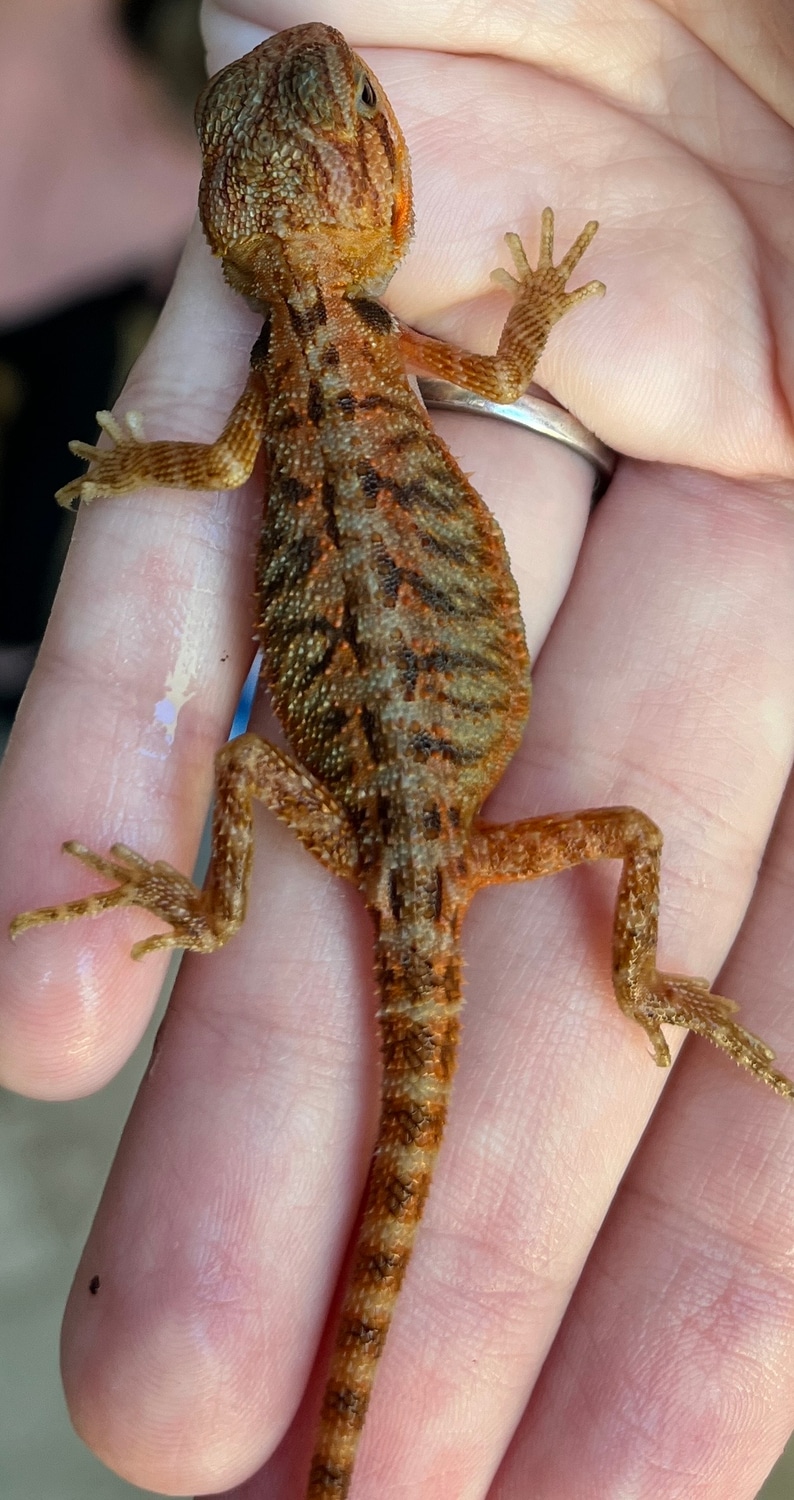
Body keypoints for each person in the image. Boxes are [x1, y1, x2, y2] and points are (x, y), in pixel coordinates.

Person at [1, 1, 792, 1496]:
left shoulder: (285, 377)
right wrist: (542, 304)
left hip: (382, 804)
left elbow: (220, 467)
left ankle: (214, 910)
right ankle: (640, 986)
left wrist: (124, 463)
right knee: (606, 838)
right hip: (413, 796)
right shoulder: (381, 339)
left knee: (295, 788)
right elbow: (497, 380)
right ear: (374, 201)